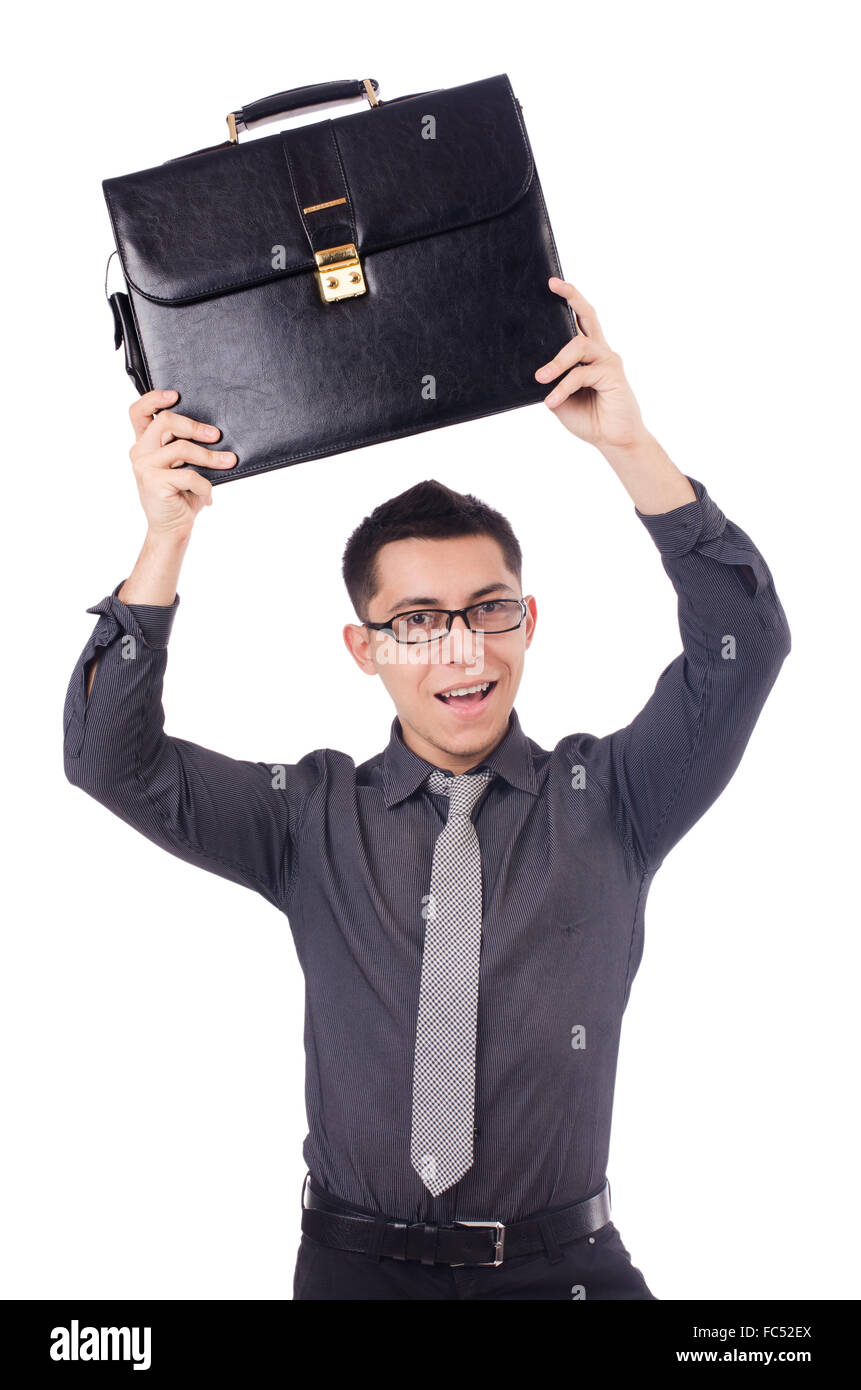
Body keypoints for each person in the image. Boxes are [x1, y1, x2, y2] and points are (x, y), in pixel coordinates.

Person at [63, 279, 791, 1300]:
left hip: (567, 1273)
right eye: (417, 620)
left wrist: (632, 449)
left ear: (529, 622)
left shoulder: (617, 795)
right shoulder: (305, 816)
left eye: (488, 610)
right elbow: (107, 757)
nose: (461, 648)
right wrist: (165, 537)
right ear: (364, 648)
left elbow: (743, 645)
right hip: (354, 1274)